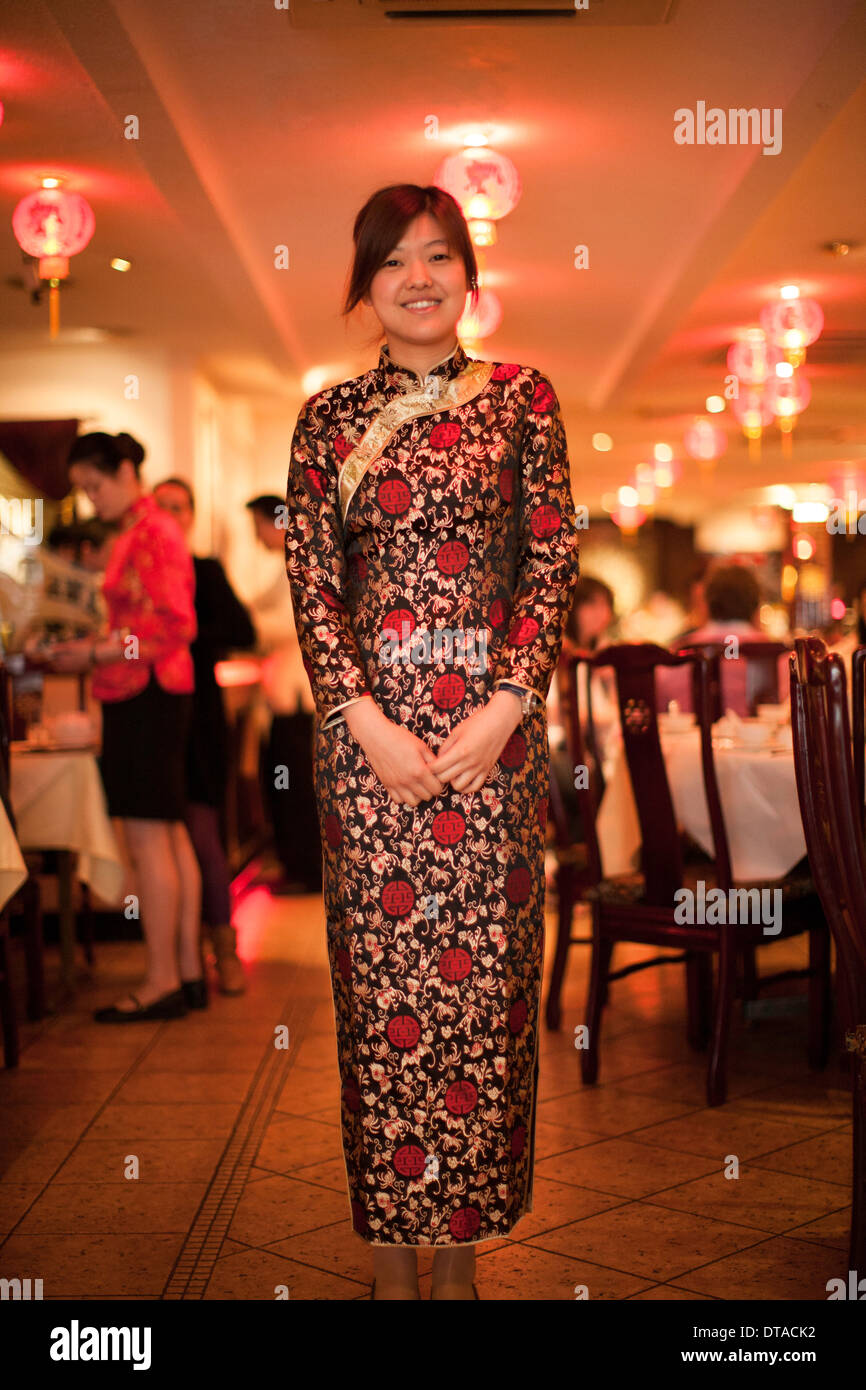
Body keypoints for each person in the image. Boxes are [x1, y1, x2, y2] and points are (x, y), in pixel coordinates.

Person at [284, 183, 581, 1299]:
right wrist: (362, 720)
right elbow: (312, 583)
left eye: (438, 256)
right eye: (393, 260)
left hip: (493, 749)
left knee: (479, 1002)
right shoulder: (326, 418)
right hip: (366, 761)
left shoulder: (521, 399)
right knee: (381, 1004)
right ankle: (384, 1263)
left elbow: (547, 559)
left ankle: (453, 1262)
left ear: (468, 275)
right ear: (364, 287)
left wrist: (504, 706)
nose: (418, 277)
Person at [45, 432, 203, 1021]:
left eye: (94, 485)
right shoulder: (148, 529)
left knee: (147, 836)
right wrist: (99, 647)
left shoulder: (149, 531)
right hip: (157, 690)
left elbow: (172, 625)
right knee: (167, 832)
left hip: (145, 691)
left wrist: (95, 654)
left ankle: (162, 978)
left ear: (124, 471)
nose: (91, 500)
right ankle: (185, 972)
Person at [154, 476, 256, 995]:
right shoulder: (146, 574)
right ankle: (179, 958)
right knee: (161, 843)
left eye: (178, 507)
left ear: (190, 515)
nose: (170, 515)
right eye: (161, 506)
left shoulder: (204, 571)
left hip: (201, 723)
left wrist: (188, 632)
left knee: (203, 839)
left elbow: (243, 632)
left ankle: (224, 949)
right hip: (156, 720)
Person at [245, 494, 322, 894]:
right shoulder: (287, 565)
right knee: (285, 785)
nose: (255, 536)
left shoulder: (298, 562)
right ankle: (297, 866)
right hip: (287, 692)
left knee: (292, 786)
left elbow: (289, 623)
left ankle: (304, 870)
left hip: (295, 694)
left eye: (256, 526)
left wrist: (242, 622)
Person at [656, 562, 786, 715]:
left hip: (696, 739)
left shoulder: (678, 654)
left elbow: (660, 712)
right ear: (756, 604)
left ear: (706, 602)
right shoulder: (779, 658)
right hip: (763, 739)